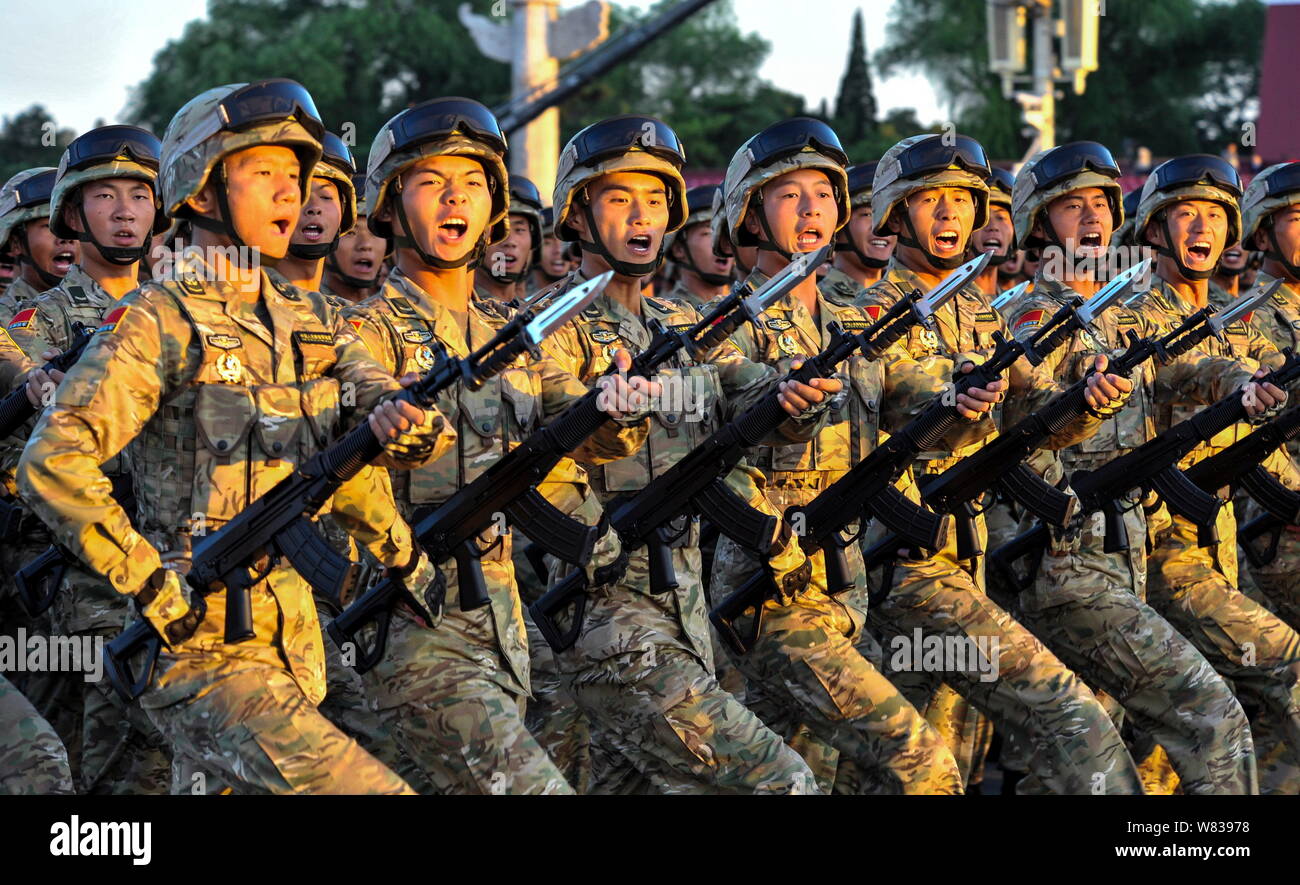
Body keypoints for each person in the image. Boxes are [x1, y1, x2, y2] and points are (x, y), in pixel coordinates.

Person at [18, 79, 453, 795]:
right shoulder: (158, 317)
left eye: (296, 176)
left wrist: (402, 453)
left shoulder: (309, 319)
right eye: (263, 174)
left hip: (291, 645)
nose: (290, 195)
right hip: (202, 651)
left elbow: (381, 413)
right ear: (203, 188)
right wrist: (151, 583)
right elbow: (53, 460)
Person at [343, 98, 656, 794]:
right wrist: (394, 414)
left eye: (474, 183)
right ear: (388, 208)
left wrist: (616, 408)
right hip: (411, 625)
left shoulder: (515, 330)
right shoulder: (359, 329)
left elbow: (587, 431)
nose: (455, 197)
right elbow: (363, 394)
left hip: (504, 619)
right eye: (430, 181)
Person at [538, 114, 837, 794]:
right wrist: (607, 408)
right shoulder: (545, 328)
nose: (642, 216)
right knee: (780, 780)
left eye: (654, 200)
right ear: (578, 215)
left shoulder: (683, 326)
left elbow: (749, 390)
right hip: (597, 608)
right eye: (619, 199)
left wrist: (797, 392)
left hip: (683, 603)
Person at [858, 133, 1144, 794]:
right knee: (1073, 720)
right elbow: (885, 413)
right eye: (932, 199)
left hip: (965, 558)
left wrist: (1087, 399)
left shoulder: (979, 313)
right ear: (896, 212)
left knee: (933, 771)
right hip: (899, 564)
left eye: (963, 200)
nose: (952, 213)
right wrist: (948, 399)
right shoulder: (863, 310)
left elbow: (1034, 428)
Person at [708, 118, 971, 794]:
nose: (811, 210)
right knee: (922, 760)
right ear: (751, 212)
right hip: (769, 594)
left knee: (817, 775)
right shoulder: (719, 326)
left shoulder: (854, 323)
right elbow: (740, 395)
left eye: (824, 194)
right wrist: (784, 396)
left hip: (843, 587)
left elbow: (911, 398)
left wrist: (962, 394)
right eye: (789, 194)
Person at [1002, 141, 1258, 794]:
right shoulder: (1028, 315)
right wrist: (1073, 388)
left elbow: (1177, 372)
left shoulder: (1121, 316)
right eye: (1071, 206)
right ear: (1040, 222)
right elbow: (1021, 408)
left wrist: (1236, 376)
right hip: (1062, 564)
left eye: (1099, 203)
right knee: (1210, 714)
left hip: (1123, 560)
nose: (1090, 217)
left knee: (1071, 765)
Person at [6, 125, 175, 794]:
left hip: (173, 564)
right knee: (103, 756)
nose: (126, 210)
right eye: (105, 196)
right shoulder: (39, 327)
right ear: (73, 215)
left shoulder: (184, 314)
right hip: (87, 577)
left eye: (139, 194)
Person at [1127, 154, 1300, 793]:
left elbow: (1262, 437)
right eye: (1186, 214)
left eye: (1214, 216)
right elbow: (1179, 375)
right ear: (1153, 228)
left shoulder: (1231, 321)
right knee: (1284, 670)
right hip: (1155, 554)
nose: (1202, 228)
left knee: (1161, 746)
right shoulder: (1131, 317)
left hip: (1215, 547)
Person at [0, 168, 77, 321]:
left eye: (72, 224)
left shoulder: (112, 305)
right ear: (16, 243)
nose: (66, 237)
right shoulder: (6, 321)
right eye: (49, 226)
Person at [818, 161, 894, 303]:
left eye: (888, 215)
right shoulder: (820, 303)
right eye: (867, 214)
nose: (880, 225)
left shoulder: (903, 298)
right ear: (839, 226)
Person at [475, 175, 544, 305]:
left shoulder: (535, 315)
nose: (510, 241)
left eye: (519, 230)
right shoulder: (459, 310)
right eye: (498, 230)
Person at [322, 173, 385, 304]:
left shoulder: (393, 314)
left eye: (374, 232)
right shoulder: (307, 311)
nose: (365, 244)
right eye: (351, 232)